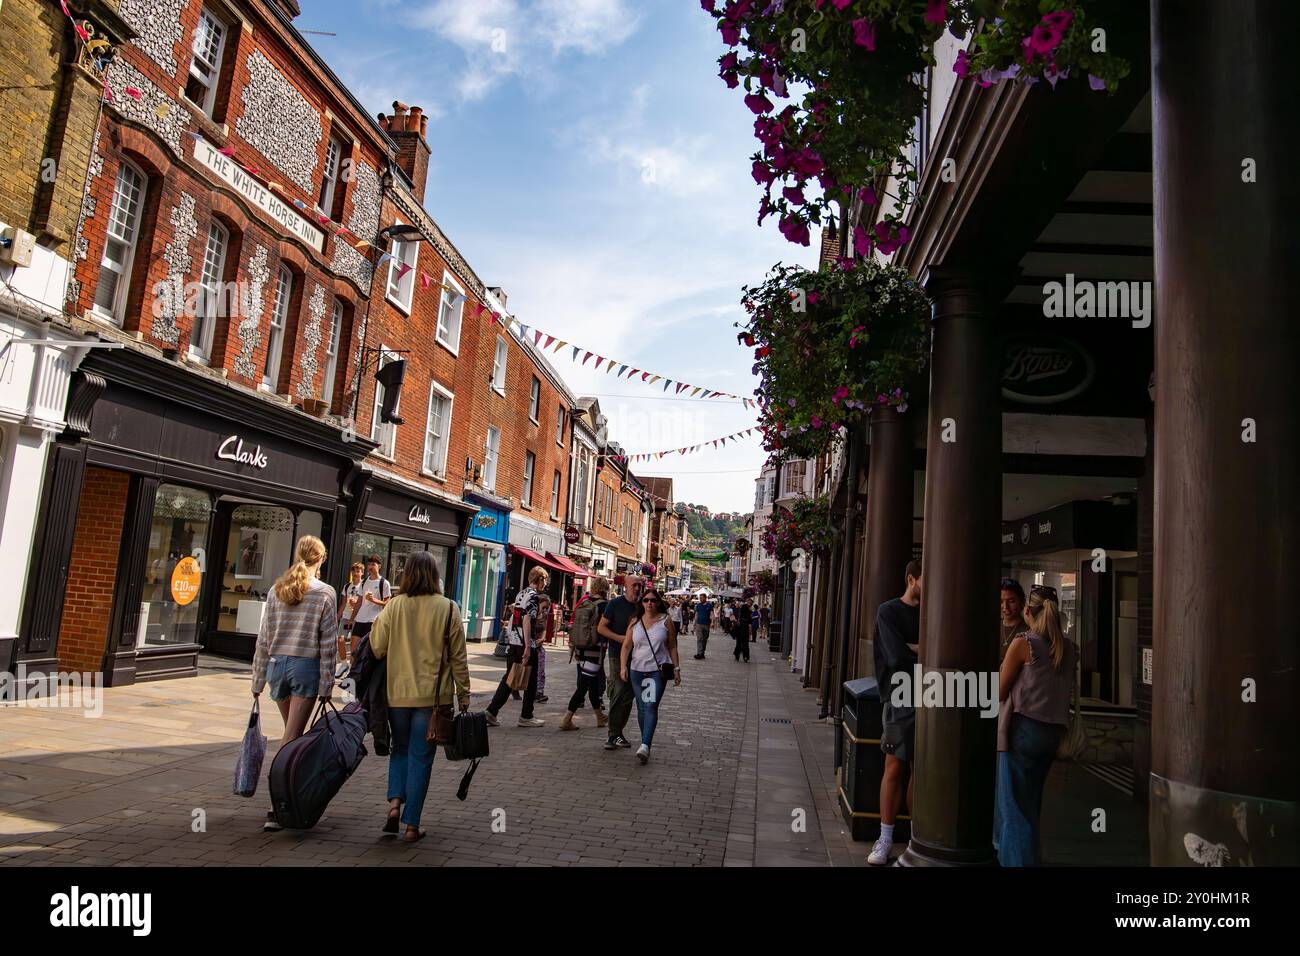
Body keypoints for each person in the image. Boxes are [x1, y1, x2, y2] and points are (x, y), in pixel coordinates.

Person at [369, 550, 470, 843]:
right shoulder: (449, 608)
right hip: (432, 699)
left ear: (407, 574)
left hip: (397, 694)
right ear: (434, 576)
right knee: (421, 757)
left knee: (399, 750)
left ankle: (393, 807)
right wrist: (463, 694)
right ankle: (412, 825)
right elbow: (459, 658)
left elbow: (376, 648)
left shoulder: (394, 605)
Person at [251, 535, 338, 832]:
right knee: (290, 740)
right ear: (321, 559)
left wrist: (257, 679)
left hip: (277, 667)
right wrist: (327, 685)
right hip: (304, 667)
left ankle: (293, 801)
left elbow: (263, 639)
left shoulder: (277, 589)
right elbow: (327, 645)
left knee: (294, 737)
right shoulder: (325, 593)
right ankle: (276, 808)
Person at [996, 585, 1079, 866]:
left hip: (1023, 731)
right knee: (1030, 806)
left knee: (1014, 811)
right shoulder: (1070, 649)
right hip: (1053, 734)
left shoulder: (1024, 643)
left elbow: (998, 690)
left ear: (1028, 611)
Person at [867, 558, 922, 866]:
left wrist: (916, 648)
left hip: (932, 693)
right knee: (894, 767)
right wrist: (916, 650)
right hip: (899, 694)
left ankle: (916, 838)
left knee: (919, 770)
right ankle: (885, 838)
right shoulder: (888, 611)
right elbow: (896, 655)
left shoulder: (932, 610)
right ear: (912, 578)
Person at [620, 588, 681, 764]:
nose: (649, 603)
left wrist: (676, 669)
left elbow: (672, 646)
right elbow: (626, 646)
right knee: (641, 707)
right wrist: (623, 667)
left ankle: (645, 744)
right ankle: (645, 739)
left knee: (651, 706)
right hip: (637, 671)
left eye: (653, 600)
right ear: (642, 603)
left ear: (658, 602)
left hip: (657, 671)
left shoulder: (665, 620)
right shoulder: (635, 622)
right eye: (646, 600)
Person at [486, 567, 549, 727]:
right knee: (531, 680)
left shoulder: (521, 594)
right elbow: (527, 619)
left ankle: (491, 712)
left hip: (514, 642)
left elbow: (517, 617)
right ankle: (526, 716)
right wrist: (528, 646)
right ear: (539, 579)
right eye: (545, 579)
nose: (546, 583)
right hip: (525, 643)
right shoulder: (534, 597)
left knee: (509, 678)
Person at [597, 574, 643, 750]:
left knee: (628, 697)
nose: (637, 588)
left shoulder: (643, 606)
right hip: (617, 655)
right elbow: (601, 627)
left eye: (639, 585)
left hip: (638, 658)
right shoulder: (615, 604)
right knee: (618, 693)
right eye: (634, 585)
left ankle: (618, 733)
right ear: (626, 586)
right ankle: (612, 735)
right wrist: (620, 638)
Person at [561, 576, 609, 731]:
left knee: (593, 684)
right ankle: (567, 719)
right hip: (595, 650)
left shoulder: (583, 602)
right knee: (583, 686)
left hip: (581, 648)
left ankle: (599, 717)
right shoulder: (605, 606)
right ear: (605, 590)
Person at [350, 554, 391, 642]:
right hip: (360, 619)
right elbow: (359, 601)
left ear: (379, 566)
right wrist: (351, 618)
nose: (370, 567)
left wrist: (373, 600)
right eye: (369, 564)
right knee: (353, 646)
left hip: (373, 620)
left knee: (367, 649)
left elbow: (387, 603)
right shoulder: (364, 582)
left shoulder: (384, 583)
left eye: (373, 564)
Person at [337, 561, 365, 661]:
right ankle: (343, 664)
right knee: (340, 640)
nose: (355, 573)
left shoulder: (364, 586)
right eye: (353, 571)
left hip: (357, 620)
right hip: (346, 618)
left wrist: (357, 603)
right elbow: (343, 603)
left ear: (362, 573)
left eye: (358, 571)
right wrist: (337, 617)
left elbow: (366, 604)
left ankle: (351, 667)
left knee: (354, 645)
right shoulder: (347, 586)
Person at [999, 577, 1028, 663]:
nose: (1005, 607)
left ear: (1021, 601)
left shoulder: (1028, 631)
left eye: (1011, 601)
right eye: (1001, 601)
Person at [692, 592, 715, 660]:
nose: (700, 599)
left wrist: (712, 622)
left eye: (701, 598)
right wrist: (694, 624)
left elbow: (711, 614)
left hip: (706, 624)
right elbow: (696, 615)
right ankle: (699, 653)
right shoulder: (698, 606)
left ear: (705, 598)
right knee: (699, 639)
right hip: (699, 624)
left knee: (705, 639)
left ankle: (702, 653)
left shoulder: (709, 605)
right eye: (700, 598)